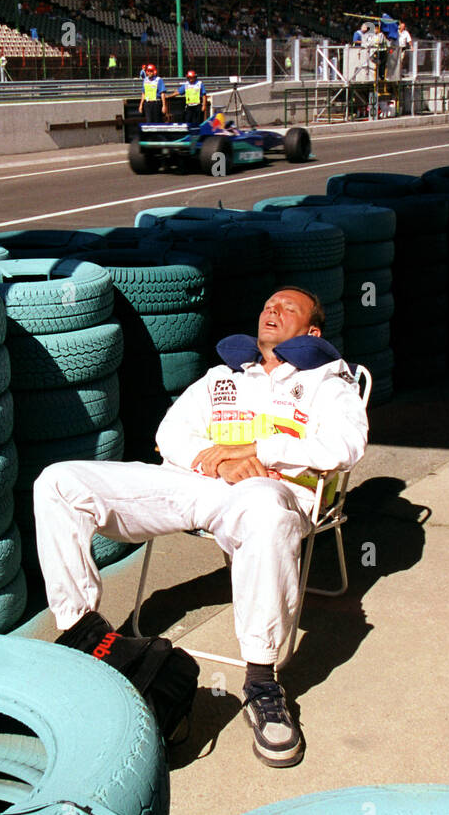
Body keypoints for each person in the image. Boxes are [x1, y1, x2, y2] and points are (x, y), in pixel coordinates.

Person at [34, 287, 369, 768]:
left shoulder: (325, 383)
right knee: (58, 482)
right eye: (267, 304)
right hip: (197, 483)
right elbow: (169, 432)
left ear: (311, 331)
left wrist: (258, 454)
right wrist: (214, 464)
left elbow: (346, 444)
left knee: (266, 511)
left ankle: (262, 680)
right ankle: (86, 638)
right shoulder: (223, 377)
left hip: (270, 493)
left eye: (287, 308)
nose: (272, 310)